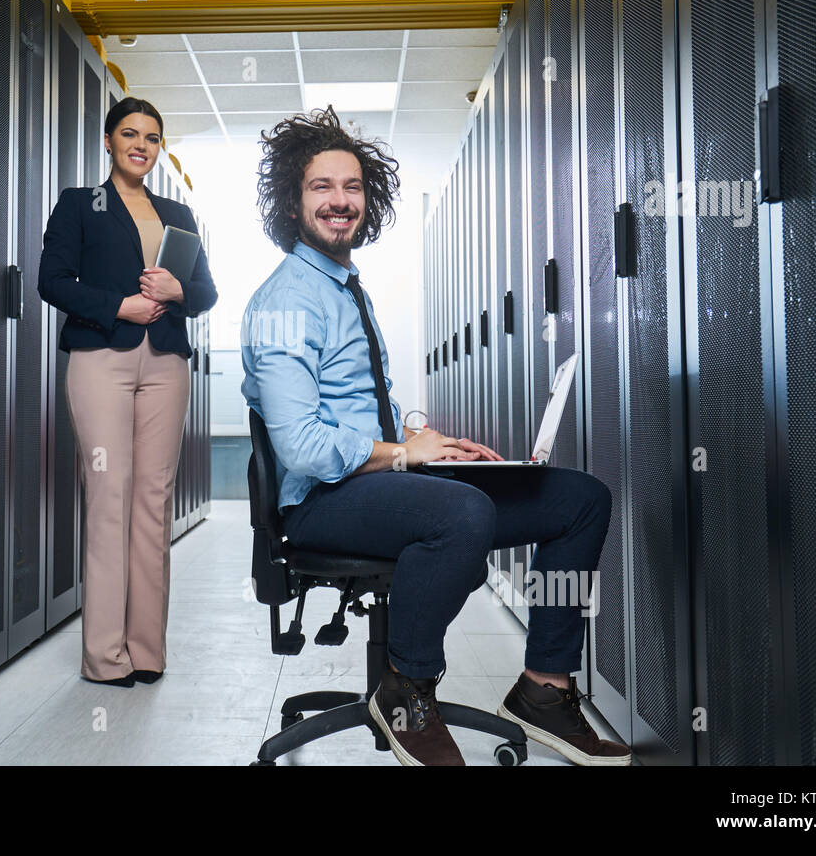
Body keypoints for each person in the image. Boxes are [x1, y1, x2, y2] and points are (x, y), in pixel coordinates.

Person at [240, 106, 628, 766]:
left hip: (380, 481)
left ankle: (544, 686)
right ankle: (406, 689)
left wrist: (425, 439)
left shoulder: (342, 289)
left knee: (579, 498)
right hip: (322, 502)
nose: (340, 200)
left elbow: (357, 410)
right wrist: (402, 454)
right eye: (321, 187)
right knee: (462, 512)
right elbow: (303, 447)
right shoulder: (284, 303)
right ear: (292, 201)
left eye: (353, 186)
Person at [38, 96, 217, 687]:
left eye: (152, 137)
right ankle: (104, 656)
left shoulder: (177, 211)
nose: (141, 144)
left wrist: (176, 290)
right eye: (130, 134)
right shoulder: (78, 205)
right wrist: (120, 304)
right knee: (109, 494)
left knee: (153, 500)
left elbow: (207, 293)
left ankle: (147, 651)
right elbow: (52, 281)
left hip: (166, 363)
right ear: (109, 142)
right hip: (101, 361)